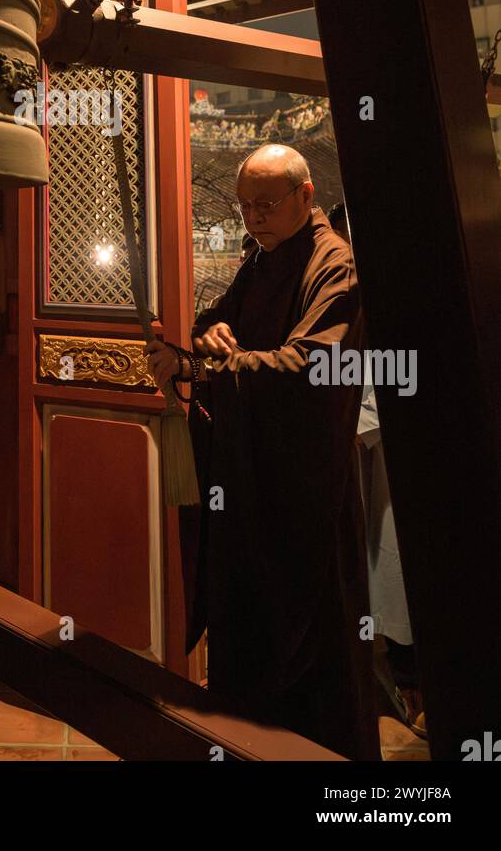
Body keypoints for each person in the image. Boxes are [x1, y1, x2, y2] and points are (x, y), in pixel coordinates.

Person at [146, 144, 379, 760]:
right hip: (251, 481)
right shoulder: (263, 257)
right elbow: (216, 323)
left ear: (306, 195)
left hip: (307, 492)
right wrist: (207, 335)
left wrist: (214, 365)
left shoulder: (336, 267)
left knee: (317, 659)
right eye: (244, 206)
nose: (251, 218)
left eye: (265, 205)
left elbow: (311, 367)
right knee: (248, 639)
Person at [326, 201, 426, 738]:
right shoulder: (341, 282)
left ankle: (409, 679)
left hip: (388, 430)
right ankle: (383, 677)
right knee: (371, 556)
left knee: (393, 555)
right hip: (354, 425)